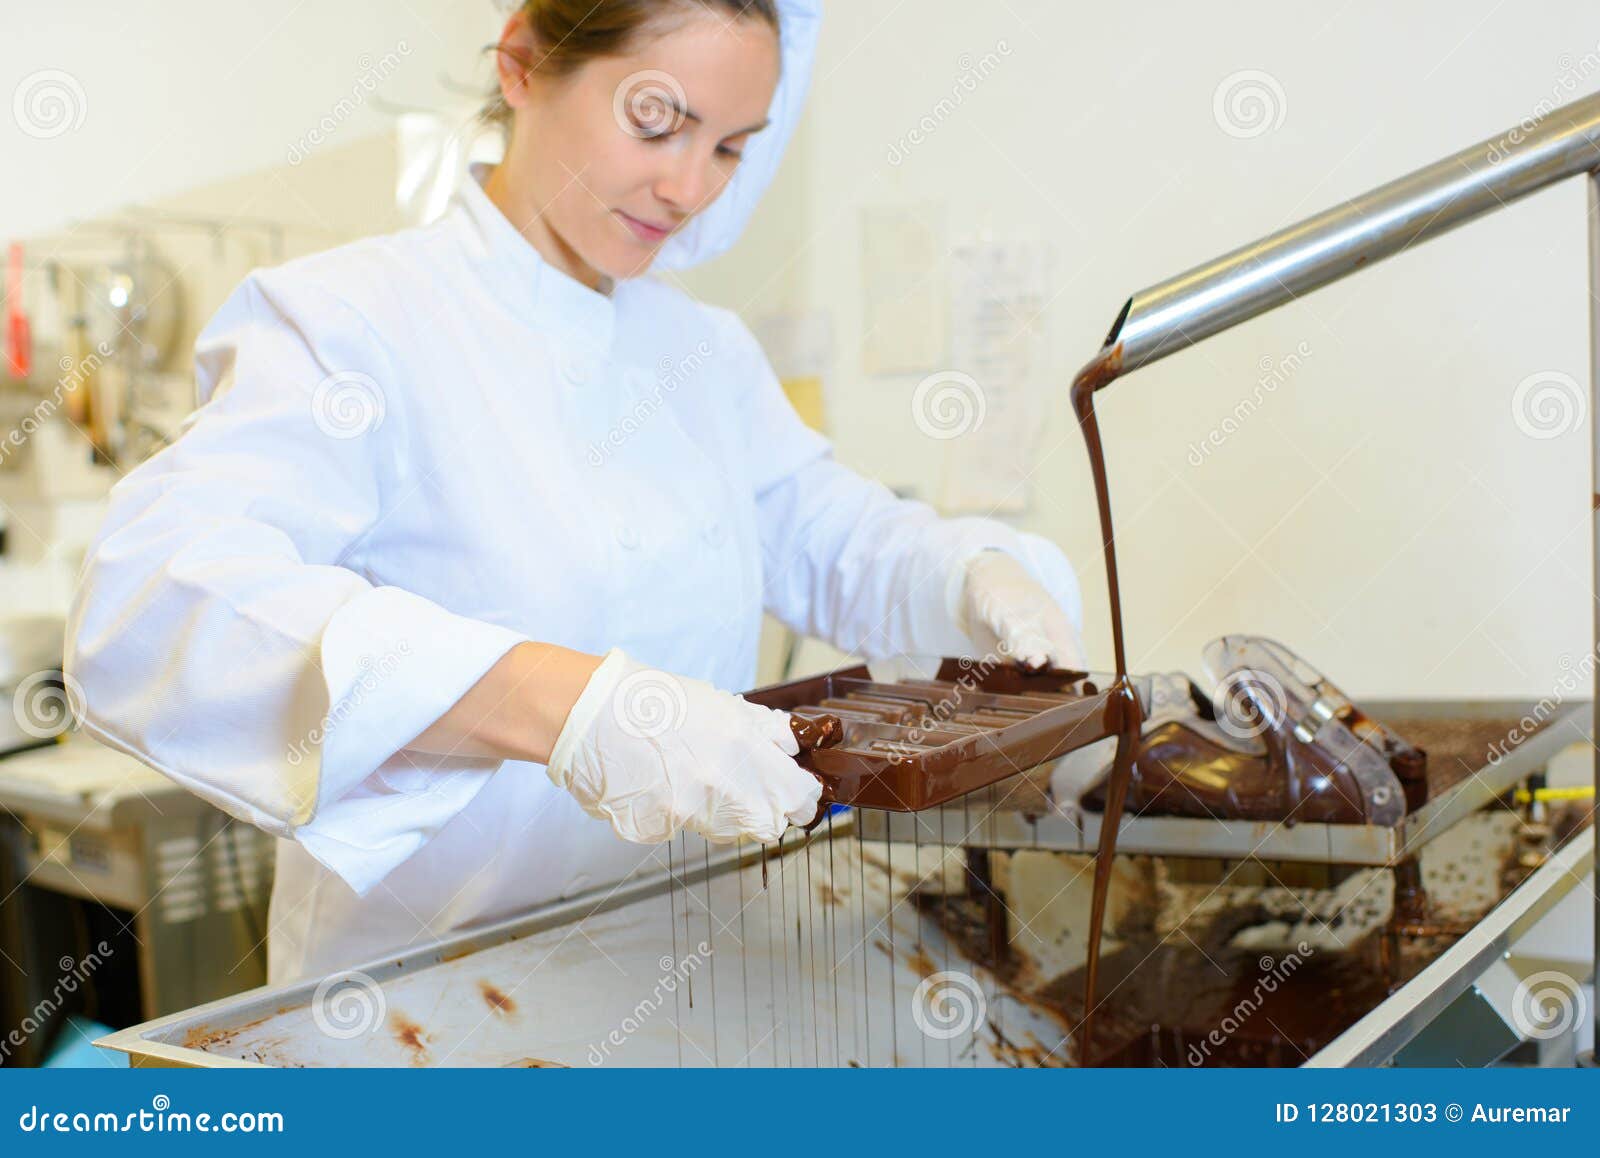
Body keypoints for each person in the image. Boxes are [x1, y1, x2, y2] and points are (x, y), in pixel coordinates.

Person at [65, 0, 1084, 982]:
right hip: (418, 1009)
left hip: (680, 972)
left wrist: (968, 575)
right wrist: (568, 707)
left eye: (730, 146)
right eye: (657, 122)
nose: (689, 187)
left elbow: (823, 530)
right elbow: (154, 598)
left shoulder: (700, 351)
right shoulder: (350, 323)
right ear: (520, 64)